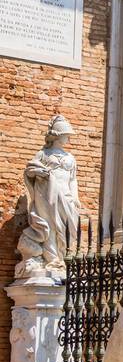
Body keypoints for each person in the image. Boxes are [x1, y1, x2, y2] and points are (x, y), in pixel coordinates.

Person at [17, 115, 81, 281]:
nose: (68, 138)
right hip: (46, 196)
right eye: (66, 135)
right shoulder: (43, 154)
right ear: (58, 136)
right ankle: (52, 260)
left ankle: (63, 257)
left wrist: (75, 197)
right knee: (49, 227)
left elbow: (73, 180)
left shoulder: (70, 158)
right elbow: (29, 171)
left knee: (67, 227)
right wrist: (38, 172)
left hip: (65, 197)